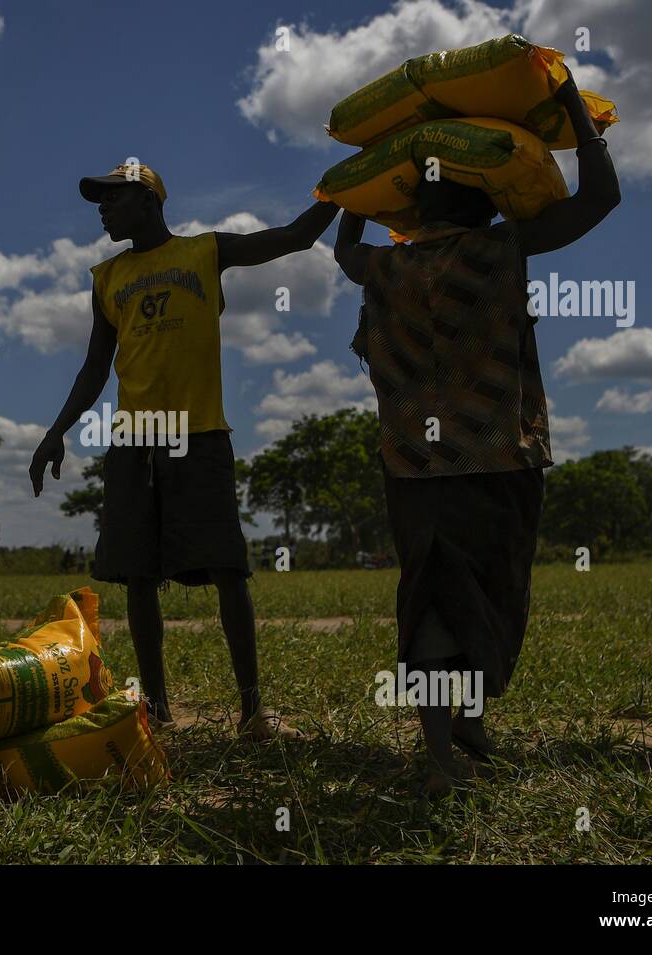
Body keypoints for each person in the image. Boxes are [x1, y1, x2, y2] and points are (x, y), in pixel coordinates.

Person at [334, 70, 620, 792]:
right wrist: (570, 108)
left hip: (413, 468)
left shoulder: (381, 265)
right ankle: (438, 762)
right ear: (487, 200)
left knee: (434, 594)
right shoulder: (502, 250)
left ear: (415, 204)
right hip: (498, 459)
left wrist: (362, 180)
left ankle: (461, 729)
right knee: (486, 597)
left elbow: (343, 248)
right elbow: (600, 198)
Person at [30, 162, 338, 741]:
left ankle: (253, 713)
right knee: (139, 577)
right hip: (135, 441)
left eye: (113, 200)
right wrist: (58, 429)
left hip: (197, 433)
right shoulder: (106, 276)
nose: (102, 210)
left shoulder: (205, 252)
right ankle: (159, 712)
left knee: (227, 569)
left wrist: (341, 191)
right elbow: (96, 366)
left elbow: (295, 237)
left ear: (148, 200)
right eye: (100, 202)